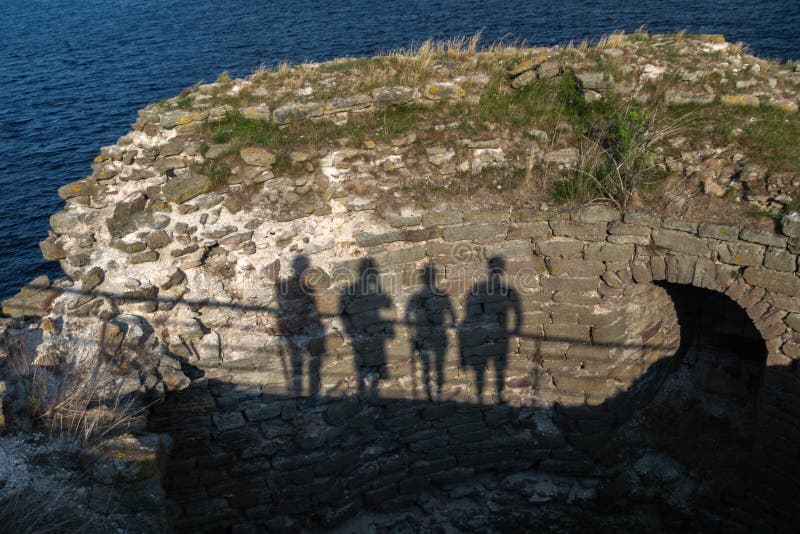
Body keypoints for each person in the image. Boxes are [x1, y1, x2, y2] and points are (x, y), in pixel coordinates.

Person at [459, 257, 521, 403]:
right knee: (497, 367)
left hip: (485, 332)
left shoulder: (479, 287)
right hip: (498, 333)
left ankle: (483, 396)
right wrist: (514, 330)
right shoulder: (507, 289)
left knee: (484, 368)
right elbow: (518, 312)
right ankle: (497, 396)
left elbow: (469, 311)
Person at [340, 258, 394, 398]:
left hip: (368, 330)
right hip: (366, 329)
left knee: (371, 354)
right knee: (368, 355)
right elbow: (388, 306)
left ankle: (370, 384)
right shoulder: (362, 289)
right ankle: (369, 385)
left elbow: (388, 306)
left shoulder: (357, 289)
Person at [404, 262, 456, 401]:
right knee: (438, 365)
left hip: (425, 333)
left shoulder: (416, 296)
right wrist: (450, 325)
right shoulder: (441, 295)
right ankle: (437, 391)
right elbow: (452, 316)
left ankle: (431, 392)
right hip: (436, 333)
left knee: (429, 365)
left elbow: (407, 317)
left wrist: (413, 330)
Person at [274, 256, 323, 396]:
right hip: (299, 325)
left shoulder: (291, 284)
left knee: (306, 360)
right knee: (300, 359)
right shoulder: (289, 284)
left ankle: (305, 388)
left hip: (304, 324)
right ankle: (302, 389)